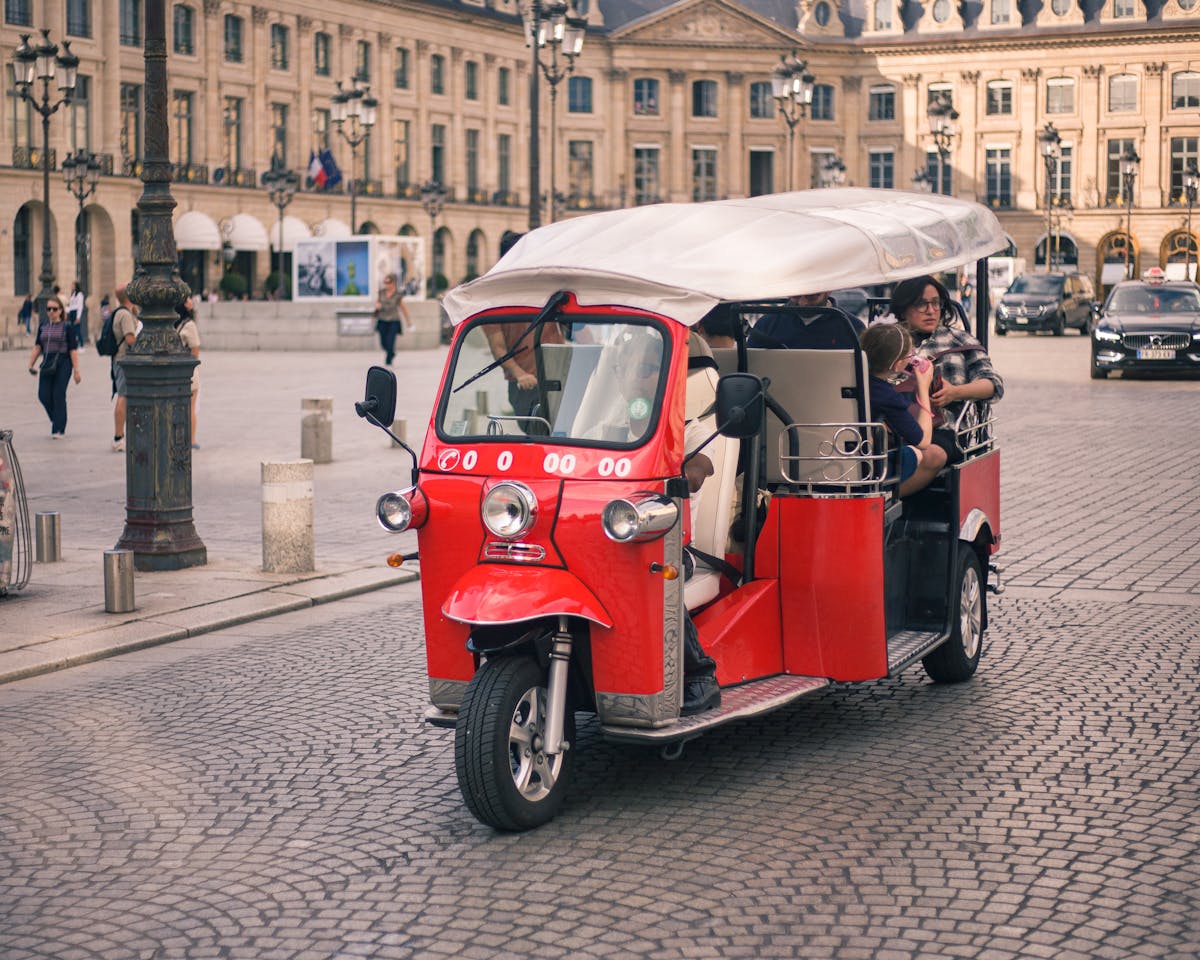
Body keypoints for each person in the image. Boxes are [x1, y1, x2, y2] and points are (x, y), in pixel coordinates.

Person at [891, 275, 1004, 465]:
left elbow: (993, 385)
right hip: (892, 424)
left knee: (929, 456)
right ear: (904, 308)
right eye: (921, 304)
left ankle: (887, 494)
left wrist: (954, 392)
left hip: (943, 428)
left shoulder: (959, 340)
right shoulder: (889, 339)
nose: (931, 311)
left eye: (936, 303)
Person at [860, 322, 947, 496]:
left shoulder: (846, 379)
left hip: (833, 458)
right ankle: (882, 499)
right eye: (910, 354)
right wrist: (923, 387)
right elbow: (923, 440)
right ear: (898, 364)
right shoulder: (887, 396)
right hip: (865, 469)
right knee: (919, 453)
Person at [27, 294, 82, 438]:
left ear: (61, 311)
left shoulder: (67, 327)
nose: (51, 312)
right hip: (47, 361)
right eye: (48, 309)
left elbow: (73, 350)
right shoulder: (43, 326)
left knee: (58, 394)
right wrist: (31, 364)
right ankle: (56, 419)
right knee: (43, 395)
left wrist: (76, 371)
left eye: (54, 309)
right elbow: (38, 346)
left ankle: (59, 428)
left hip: (63, 362)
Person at [748, 290, 864, 349]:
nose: (803, 303)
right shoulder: (766, 325)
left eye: (812, 296)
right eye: (796, 295)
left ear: (828, 290)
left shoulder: (853, 328)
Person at [110, 285, 140, 452]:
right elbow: (130, 339)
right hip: (124, 361)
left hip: (120, 360)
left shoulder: (122, 312)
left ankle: (122, 435)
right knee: (123, 395)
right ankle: (118, 436)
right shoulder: (125, 315)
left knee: (125, 395)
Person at [176, 295, 201, 448]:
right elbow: (195, 352)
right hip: (189, 372)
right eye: (187, 299)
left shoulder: (174, 323)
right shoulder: (189, 325)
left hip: (176, 371)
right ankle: (191, 440)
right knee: (191, 408)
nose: (191, 301)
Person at [373, 272, 411, 365]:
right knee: (383, 342)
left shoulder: (398, 294)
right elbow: (377, 302)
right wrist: (377, 305)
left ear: (393, 283)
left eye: (388, 282)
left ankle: (388, 360)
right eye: (385, 282)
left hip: (393, 321)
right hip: (382, 320)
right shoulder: (381, 292)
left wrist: (408, 320)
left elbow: (403, 308)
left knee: (390, 341)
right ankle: (391, 353)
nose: (386, 284)